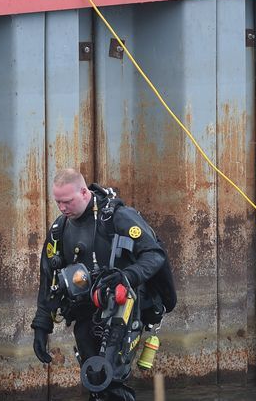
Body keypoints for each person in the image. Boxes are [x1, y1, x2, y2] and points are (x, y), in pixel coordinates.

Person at [31, 169, 172, 401]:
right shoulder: (60, 229)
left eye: (67, 201)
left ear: (83, 192)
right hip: (85, 311)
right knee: (95, 379)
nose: (62, 208)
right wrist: (41, 326)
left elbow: (155, 255)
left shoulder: (118, 218)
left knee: (110, 378)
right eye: (58, 202)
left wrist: (128, 276)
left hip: (123, 307)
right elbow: (49, 278)